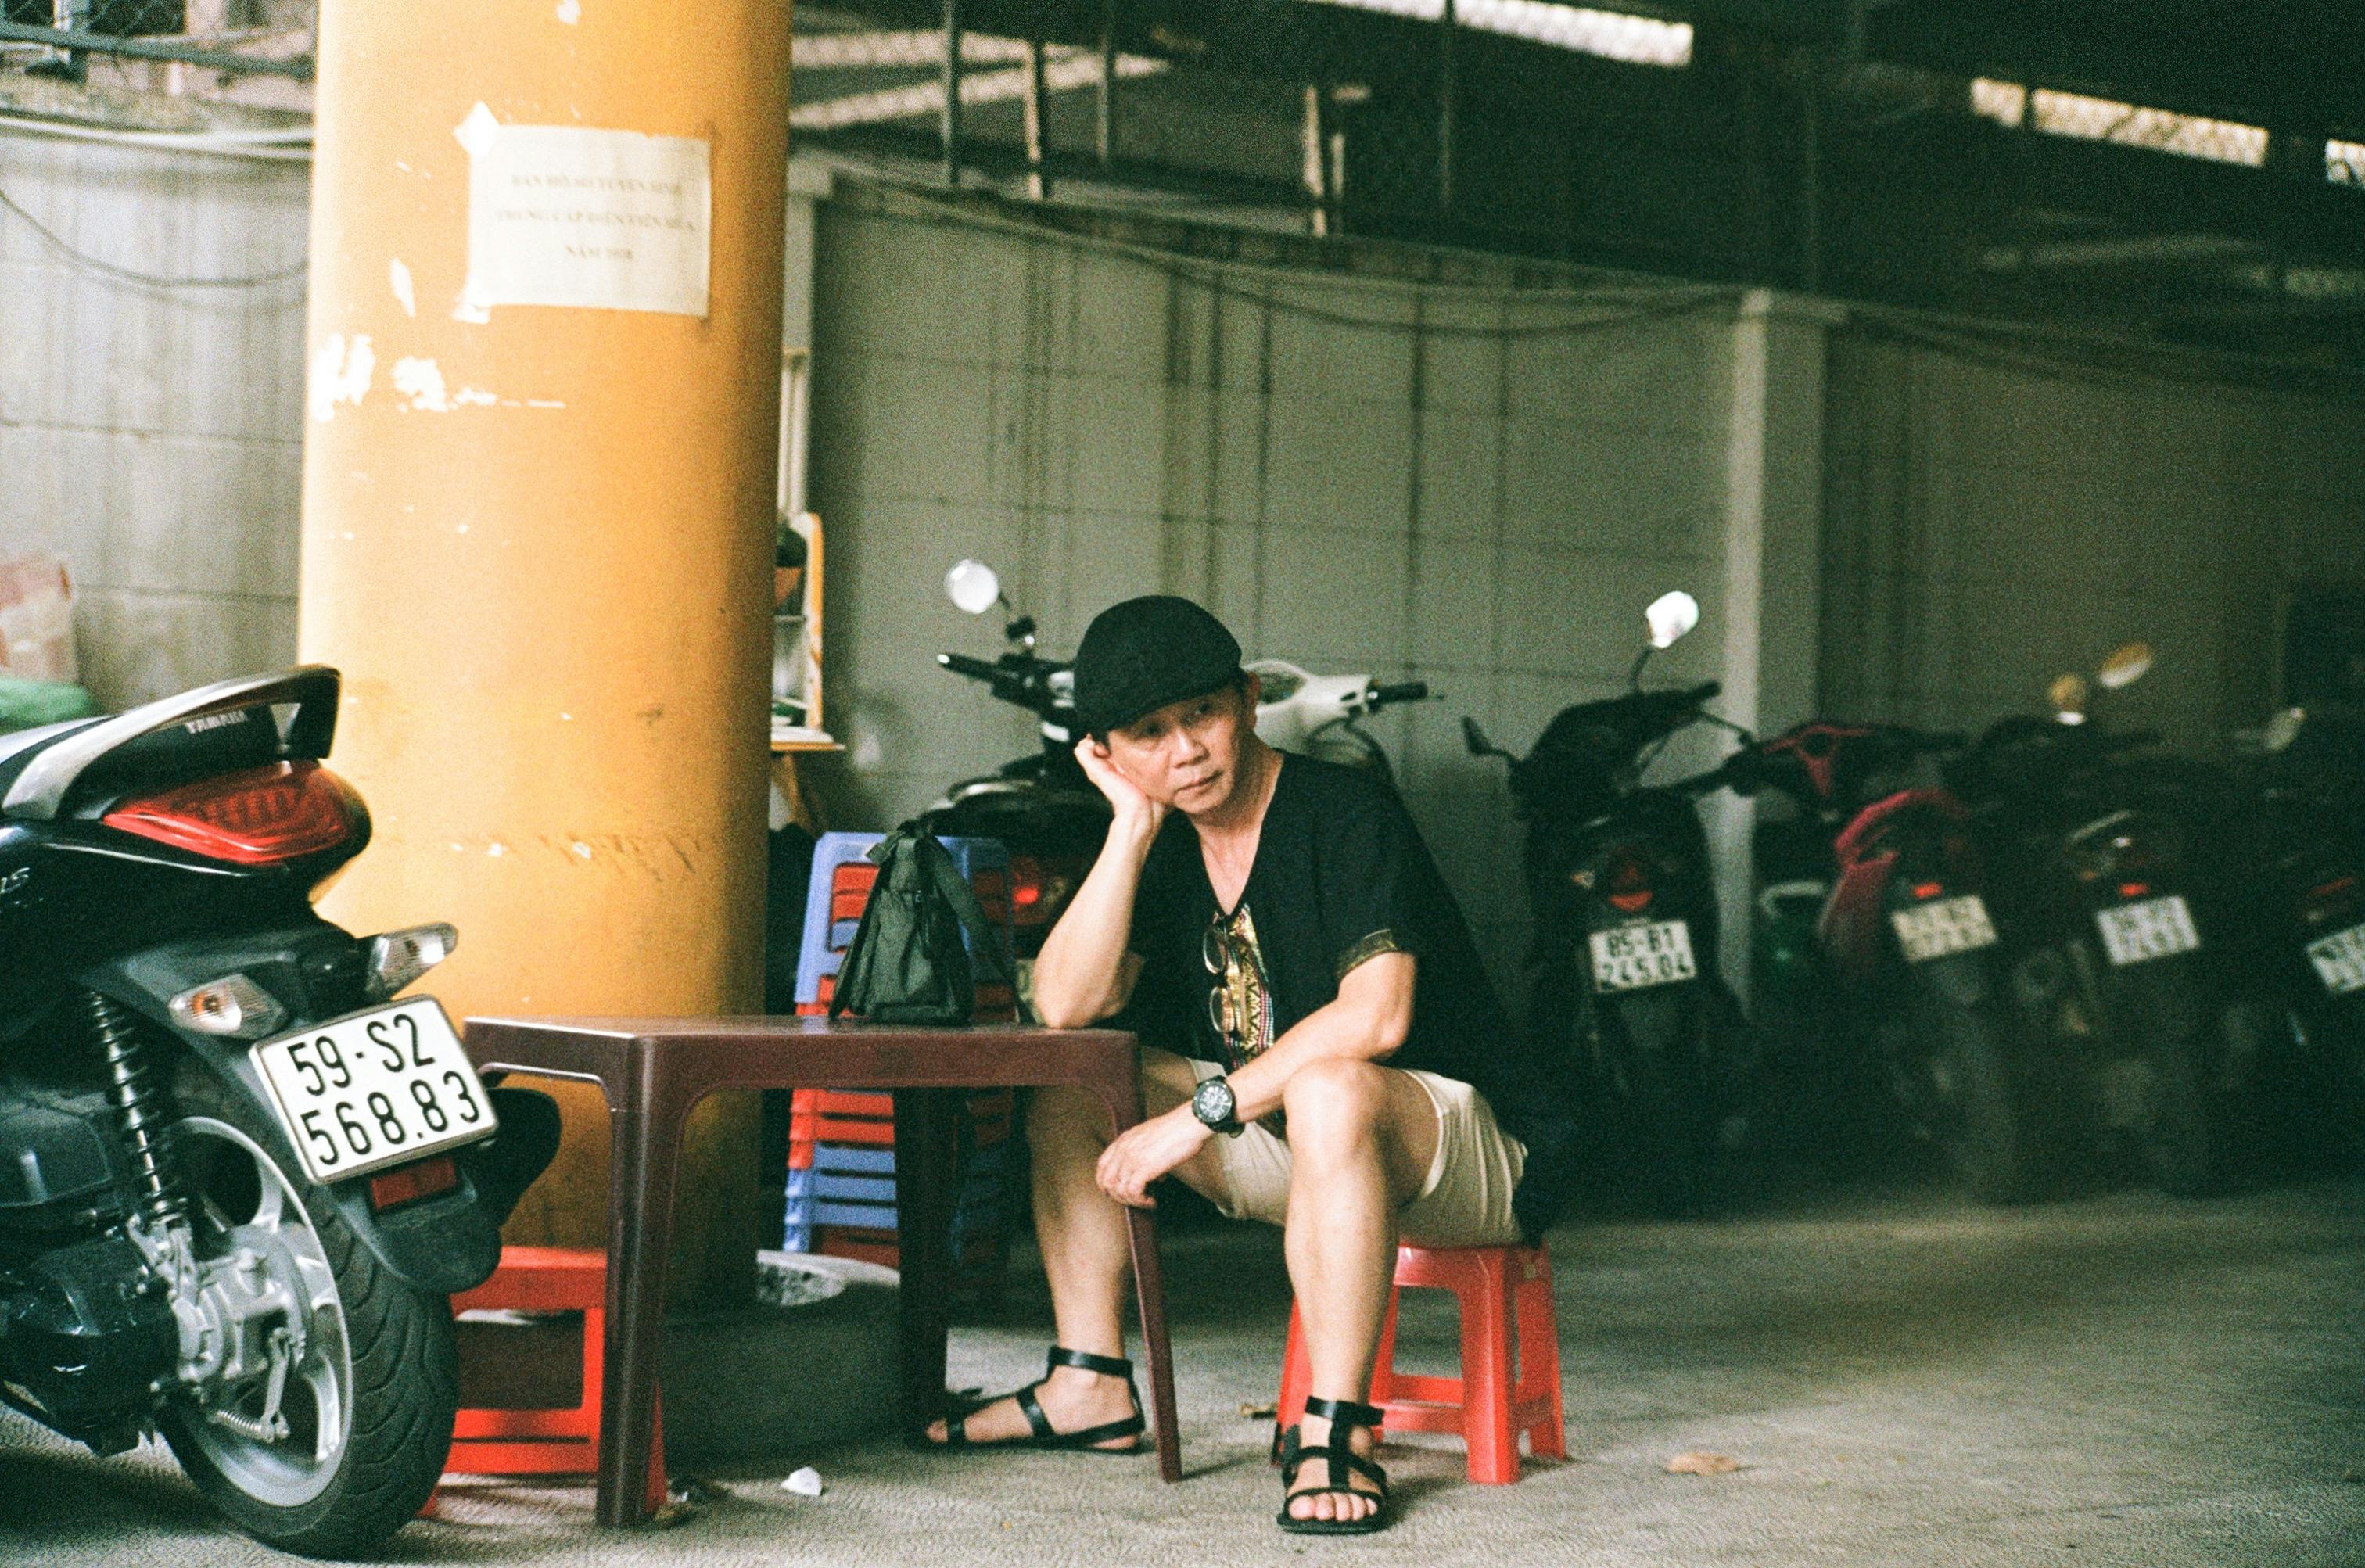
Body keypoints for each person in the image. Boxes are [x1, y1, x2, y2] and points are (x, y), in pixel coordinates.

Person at [923, 595, 1580, 1536]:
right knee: (1076, 1065)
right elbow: (1065, 1005)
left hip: (1468, 1144)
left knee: (1332, 1083)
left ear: (1250, 698)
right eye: (1147, 734)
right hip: (1296, 1145)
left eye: (1201, 715)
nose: (1183, 750)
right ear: (1107, 754)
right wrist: (1128, 829)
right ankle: (1089, 1382)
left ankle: (1341, 1428)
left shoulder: (1345, 811)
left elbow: (1378, 1014)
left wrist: (1200, 1112)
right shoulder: (1163, 839)